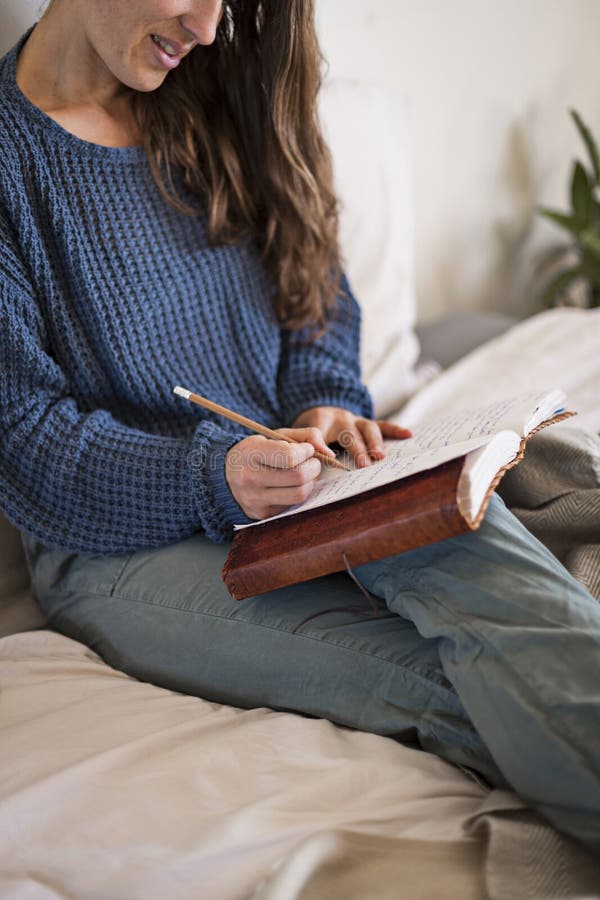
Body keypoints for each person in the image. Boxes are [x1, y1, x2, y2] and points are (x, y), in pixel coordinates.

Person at [1, 0, 599, 854]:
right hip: (112, 545)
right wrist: (217, 475)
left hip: (298, 480)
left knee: (472, 527)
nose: (209, 26)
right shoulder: (8, 163)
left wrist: (325, 398)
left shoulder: (214, 98)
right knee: (445, 675)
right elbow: (27, 442)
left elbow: (313, 292)